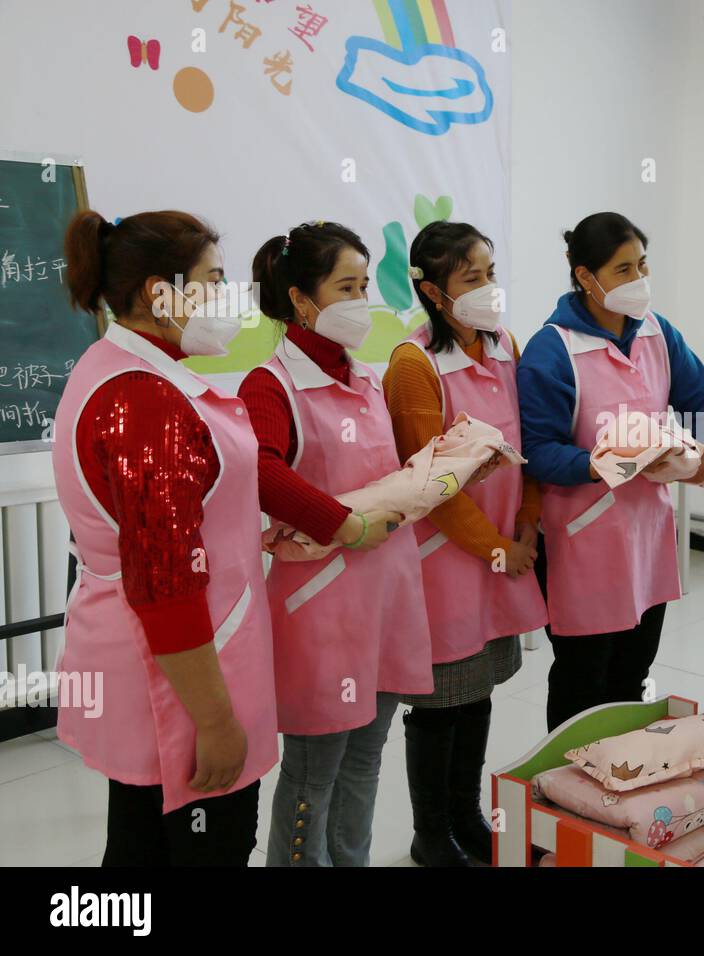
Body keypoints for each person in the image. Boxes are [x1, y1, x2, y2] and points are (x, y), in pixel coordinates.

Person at [53, 209, 278, 866]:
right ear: (161, 292)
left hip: (160, 657)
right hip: (180, 675)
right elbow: (165, 581)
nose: (227, 296)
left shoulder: (120, 368)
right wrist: (215, 722)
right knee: (204, 844)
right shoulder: (145, 401)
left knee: (139, 843)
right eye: (214, 279)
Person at [239, 221, 434, 866]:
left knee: (366, 756)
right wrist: (344, 525)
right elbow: (261, 470)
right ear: (301, 300)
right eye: (345, 288)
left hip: (384, 596)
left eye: (363, 286)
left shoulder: (367, 377)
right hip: (322, 608)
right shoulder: (270, 383)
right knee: (313, 769)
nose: (361, 301)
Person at [517, 212, 704, 731]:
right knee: (583, 680)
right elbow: (536, 450)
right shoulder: (553, 350)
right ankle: (569, 775)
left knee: (632, 673)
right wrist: (601, 464)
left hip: (646, 536)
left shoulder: (657, 333)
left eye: (642, 264)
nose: (638, 279)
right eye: (623, 269)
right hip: (583, 544)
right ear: (585, 276)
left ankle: (622, 772)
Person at [383, 221, 547, 866]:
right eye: (471, 278)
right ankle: (431, 834)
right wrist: (495, 547)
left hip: (501, 550)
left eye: (490, 273)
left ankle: (466, 816)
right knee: (439, 702)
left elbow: (525, 444)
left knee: (478, 691)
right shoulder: (414, 365)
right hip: (447, 558)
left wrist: (526, 523)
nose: (487, 288)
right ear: (431, 290)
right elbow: (429, 483)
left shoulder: (504, 345)